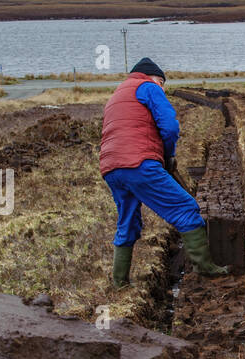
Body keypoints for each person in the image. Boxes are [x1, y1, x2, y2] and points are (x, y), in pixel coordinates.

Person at [98, 57, 229, 286]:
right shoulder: (149, 87)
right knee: (185, 208)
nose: (163, 88)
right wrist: (167, 156)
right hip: (139, 163)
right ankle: (206, 269)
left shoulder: (117, 94)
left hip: (111, 168)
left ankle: (119, 283)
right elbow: (169, 126)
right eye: (163, 83)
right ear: (157, 79)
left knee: (127, 221)